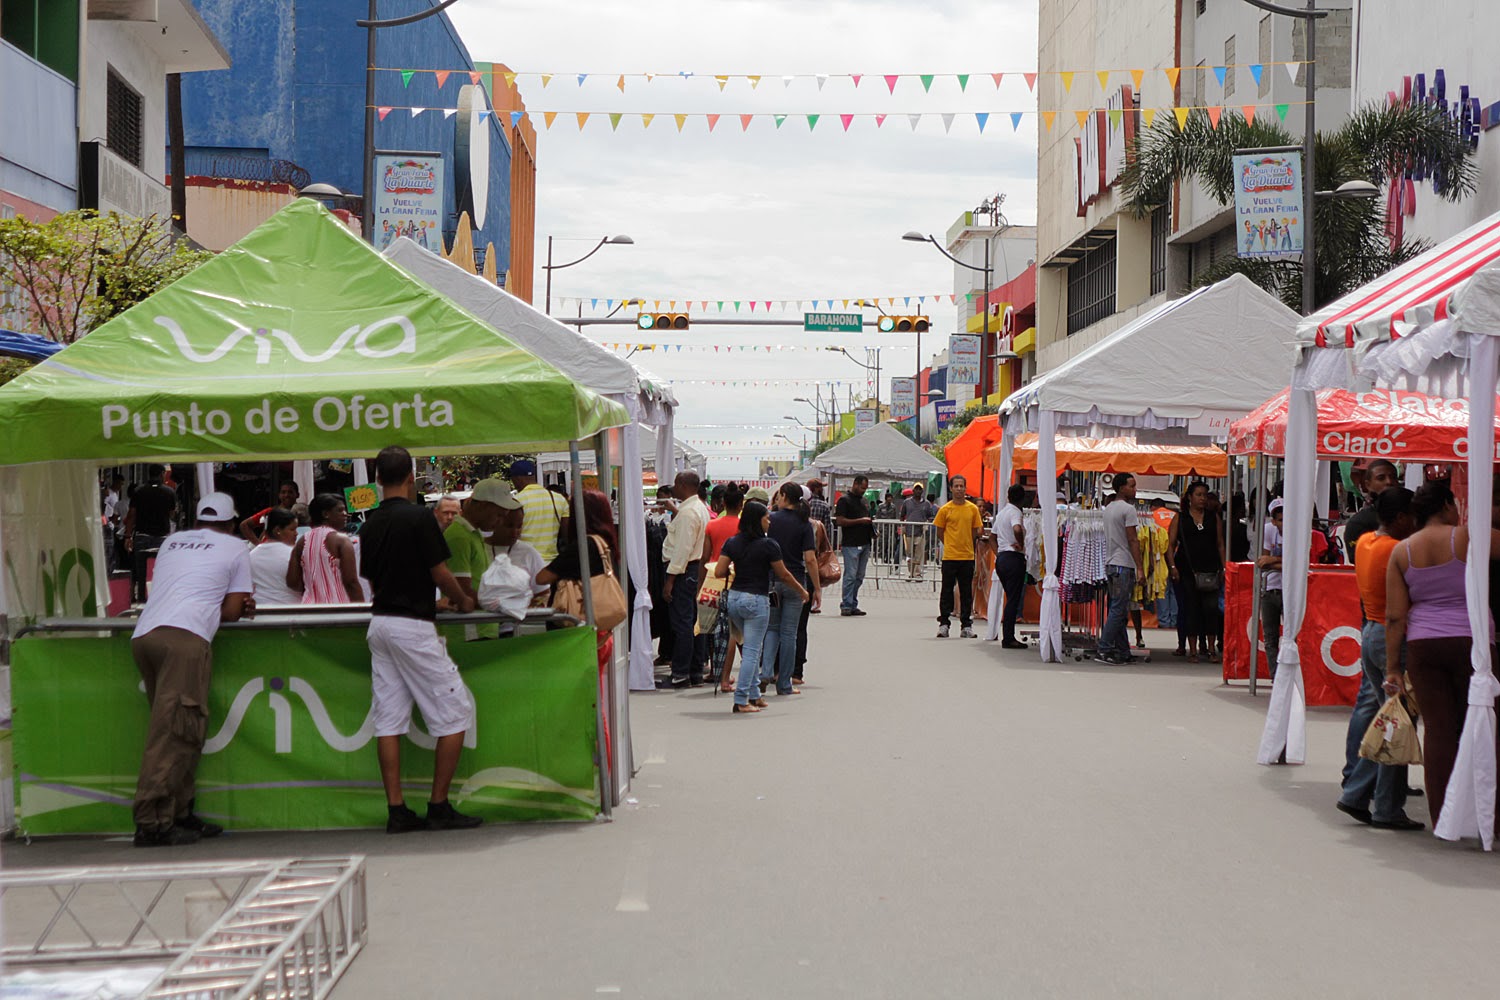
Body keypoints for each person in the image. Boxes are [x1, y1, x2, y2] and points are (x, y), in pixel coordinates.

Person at [359, 445, 481, 834]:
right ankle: (438, 805)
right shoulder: (420, 518)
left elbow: (373, 578)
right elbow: (439, 571)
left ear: (378, 479)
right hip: (412, 626)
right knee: (456, 712)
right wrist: (462, 600)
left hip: (381, 623)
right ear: (412, 477)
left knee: (388, 719)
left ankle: (396, 809)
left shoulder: (369, 524)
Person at [129, 491, 253, 846]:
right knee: (175, 733)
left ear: (197, 520)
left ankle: (180, 812)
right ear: (231, 523)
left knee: (180, 729)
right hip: (185, 638)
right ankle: (152, 821)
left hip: (146, 635)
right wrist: (237, 604)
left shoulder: (172, 542)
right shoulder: (236, 548)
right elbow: (232, 611)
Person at [1384, 482, 1500, 831]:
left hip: (1424, 644)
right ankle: (1490, 817)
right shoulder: (1467, 537)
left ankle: (1444, 818)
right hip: (1472, 641)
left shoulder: (1402, 551)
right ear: (1449, 505)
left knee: (1438, 731)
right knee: (1484, 724)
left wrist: (1393, 667)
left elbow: (1395, 617)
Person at [1336, 487, 1422, 831]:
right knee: (1396, 723)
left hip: (1371, 630)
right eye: (1412, 516)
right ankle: (1375, 800)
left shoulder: (1367, 542)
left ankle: (1368, 796)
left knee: (1386, 718)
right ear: (1400, 518)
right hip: (1390, 637)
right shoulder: (1397, 550)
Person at [714, 500, 808, 714]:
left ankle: (755, 694)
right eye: (767, 518)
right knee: (752, 651)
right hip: (756, 600)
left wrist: (733, 568)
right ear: (758, 520)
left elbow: (719, 571)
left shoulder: (732, 542)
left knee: (751, 647)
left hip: (734, 599)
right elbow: (783, 574)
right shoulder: (769, 545)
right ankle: (741, 699)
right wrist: (802, 590)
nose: (769, 522)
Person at [765, 483, 819, 695]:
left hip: (772, 581)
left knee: (772, 628)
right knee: (789, 632)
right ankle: (784, 682)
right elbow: (810, 559)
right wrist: (817, 588)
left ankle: (766, 671)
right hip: (796, 582)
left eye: (779, 495)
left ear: (785, 496)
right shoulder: (805, 523)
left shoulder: (771, 519)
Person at [661, 471, 710, 688]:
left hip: (684, 572)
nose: (673, 488)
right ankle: (695, 671)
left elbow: (682, 550)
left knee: (683, 624)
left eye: (675, 484)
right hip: (694, 570)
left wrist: (670, 580)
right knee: (693, 623)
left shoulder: (689, 513)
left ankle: (681, 673)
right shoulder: (698, 508)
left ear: (682, 485)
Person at [1167, 481, 1226, 663]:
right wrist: (1172, 567)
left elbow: (1220, 544)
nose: (1202, 499)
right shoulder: (1180, 518)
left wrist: (1224, 567)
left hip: (1211, 569)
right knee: (1191, 608)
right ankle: (1192, 650)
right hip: (1187, 569)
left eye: (1205, 495)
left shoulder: (1213, 517)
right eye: (1199, 495)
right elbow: (1170, 544)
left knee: (1211, 609)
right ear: (1190, 497)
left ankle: (1210, 649)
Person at [1097, 472, 1143, 665]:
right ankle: (1105, 648)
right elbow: (1132, 539)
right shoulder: (1128, 509)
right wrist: (1140, 567)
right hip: (1123, 564)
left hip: (1111, 563)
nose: (1135, 490)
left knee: (1119, 609)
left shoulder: (1109, 508)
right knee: (1118, 609)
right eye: (1132, 486)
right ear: (1122, 488)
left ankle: (1123, 650)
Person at [701, 483, 743, 693]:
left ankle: (715, 671)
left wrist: (700, 585)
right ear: (741, 504)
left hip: (713, 578)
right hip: (737, 579)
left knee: (712, 627)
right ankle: (725, 678)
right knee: (732, 631)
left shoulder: (712, 525)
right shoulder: (744, 525)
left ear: (723, 503)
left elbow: (705, 557)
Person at [933, 475, 985, 639]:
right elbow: (940, 531)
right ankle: (944, 623)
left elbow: (975, 530)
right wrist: (949, 543)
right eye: (956, 486)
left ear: (965, 488)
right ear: (951, 488)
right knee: (946, 591)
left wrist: (967, 543)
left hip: (967, 556)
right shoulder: (945, 510)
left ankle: (966, 625)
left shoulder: (972, 509)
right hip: (950, 556)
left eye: (962, 486)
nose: (959, 489)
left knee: (966, 592)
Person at [288, 494, 365, 604]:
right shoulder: (341, 540)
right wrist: (361, 608)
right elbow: (351, 582)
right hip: (338, 607)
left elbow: (292, 582)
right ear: (326, 514)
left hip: (309, 607)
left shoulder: (302, 541)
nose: (345, 514)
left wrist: (313, 588)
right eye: (340, 510)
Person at [123, 465, 178, 603]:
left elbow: (131, 515)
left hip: (142, 536)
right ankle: (159, 599)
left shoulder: (138, 491)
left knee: (140, 571)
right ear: (162, 474)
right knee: (161, 570)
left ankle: (142, 598)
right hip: (161, 537)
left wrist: (128, 536)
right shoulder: (169, 492)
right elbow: (172, 514)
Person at [509, 459, 570, 563]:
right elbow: (566, 533)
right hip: (551, 563)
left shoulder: (516, 501)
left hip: (524, 562)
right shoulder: (559, 498)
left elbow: (511, 534)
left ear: (517, 479)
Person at [1343, 459, 1401, 561]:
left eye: (1393, 477)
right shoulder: (1358, 522)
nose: (1389, 482)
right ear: (1368, 485)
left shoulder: (1410, 513)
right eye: (1381, 478)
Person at [835, 474, 874, 616]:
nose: (864, 491)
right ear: (855, 484)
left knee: (859, 576)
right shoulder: (844, 500)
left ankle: (852, 602)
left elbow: (868, 518)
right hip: (851, 543)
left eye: (865, 488)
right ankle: (846, 604)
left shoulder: (864, 501)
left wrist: (872, 530)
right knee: (850, 575)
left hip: (865, 542)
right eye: (862, 488)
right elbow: (840, 521)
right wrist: (860, 521)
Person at [994, 484, 1027, 649]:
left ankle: (1008, 634)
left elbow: (992, 536)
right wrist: (1021, 544)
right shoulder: (1015, 512)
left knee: (1010, 597)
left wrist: (998, 553)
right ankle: (1008, 636)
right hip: (1013, 557)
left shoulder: (1002, 513)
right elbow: (1017, 528)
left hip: (1002, 557)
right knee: (1014, 599)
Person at [249, 508, 302, 606]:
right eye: (292, 529)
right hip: (291, 609)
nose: (296, 533)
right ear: (277, 530)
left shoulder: (251, 555)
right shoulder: (294, 554)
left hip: (260, 608)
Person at [1259, 499, 1286, 676]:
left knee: (1293, 636)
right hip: (1270, 587)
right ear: (1274, 521)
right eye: (1280, 519)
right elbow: (1263, 562)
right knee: (1270, 637)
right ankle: (1275, 676)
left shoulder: (1297, 531)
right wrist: (1280, 563)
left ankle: (1290, 675)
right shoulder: (1268, 530)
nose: (1284, 523)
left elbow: (1296, 562)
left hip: (1289, 590)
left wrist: (1274, 560)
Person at [899, 482, 937, 581]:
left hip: (921, 532)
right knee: (909, 553)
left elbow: (931, 516)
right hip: (908, 531)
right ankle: (910, 573)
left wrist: (927, 523)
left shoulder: (926, 503)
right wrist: (902, 526)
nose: (918, 491)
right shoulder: (907, 502)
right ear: (913, 490)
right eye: (916, 489)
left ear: (922, 491)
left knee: (919, 554)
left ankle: (917, 573)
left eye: (920, 489)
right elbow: (902, 515)